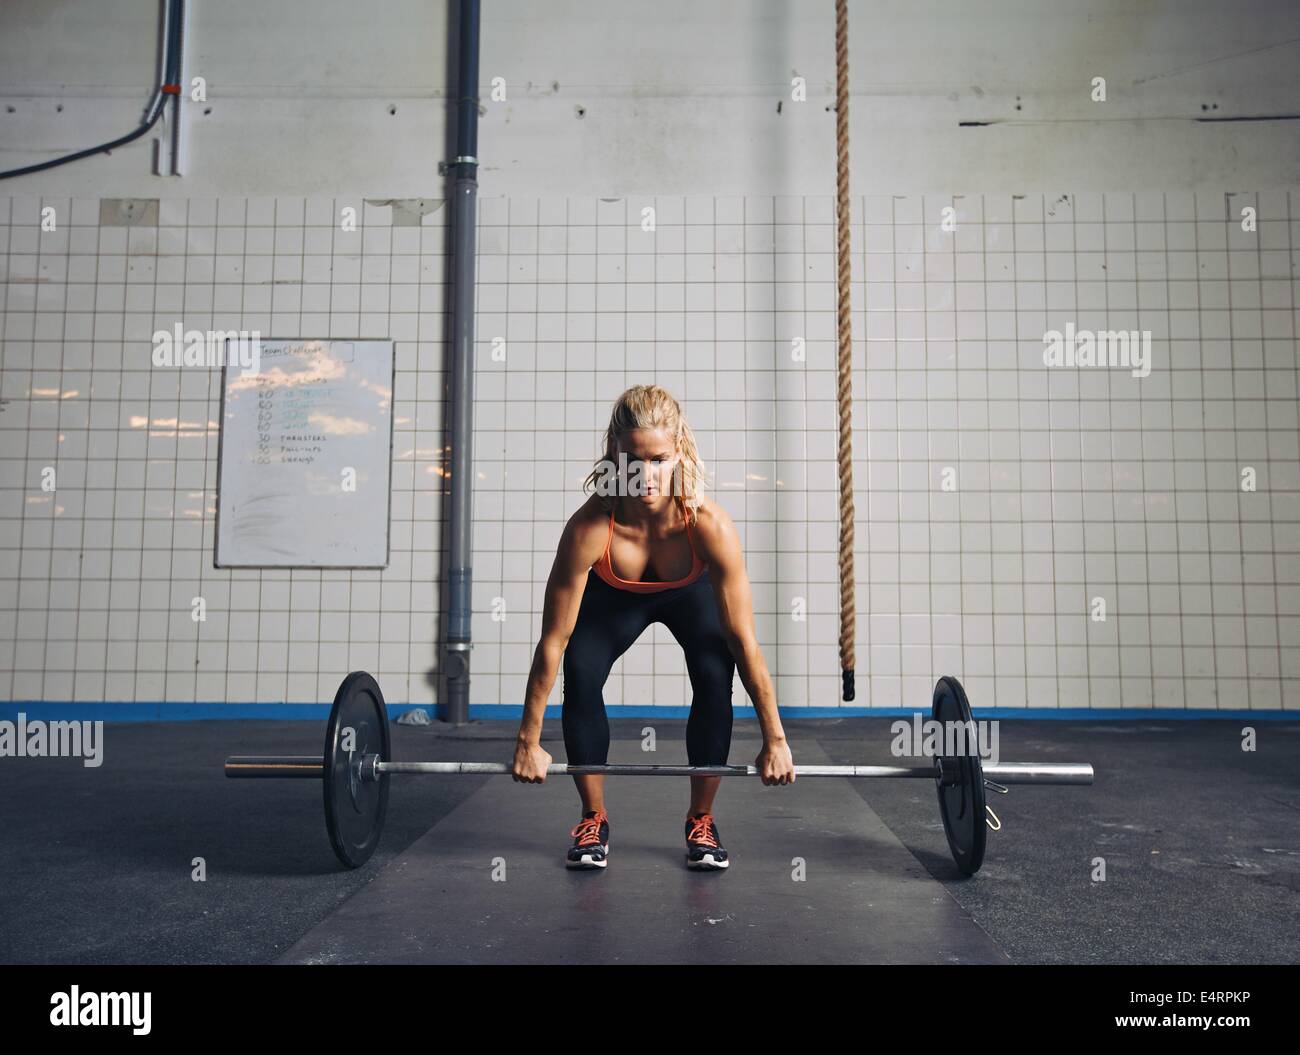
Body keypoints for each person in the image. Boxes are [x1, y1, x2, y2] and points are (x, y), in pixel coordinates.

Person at [511, 384, 795, 871]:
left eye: (659, 460)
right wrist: (528, 742)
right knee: (580, 670)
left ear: (680, 449)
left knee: (714, 670)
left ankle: (700, 820)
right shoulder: (590, 528)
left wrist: (776, 739)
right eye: (633, 461)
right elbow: (553, 641)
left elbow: (743, 638)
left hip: (690, 594)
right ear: (613, 455)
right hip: (614, 594)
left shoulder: (708, 524)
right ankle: (593, 817)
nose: (645, 475)